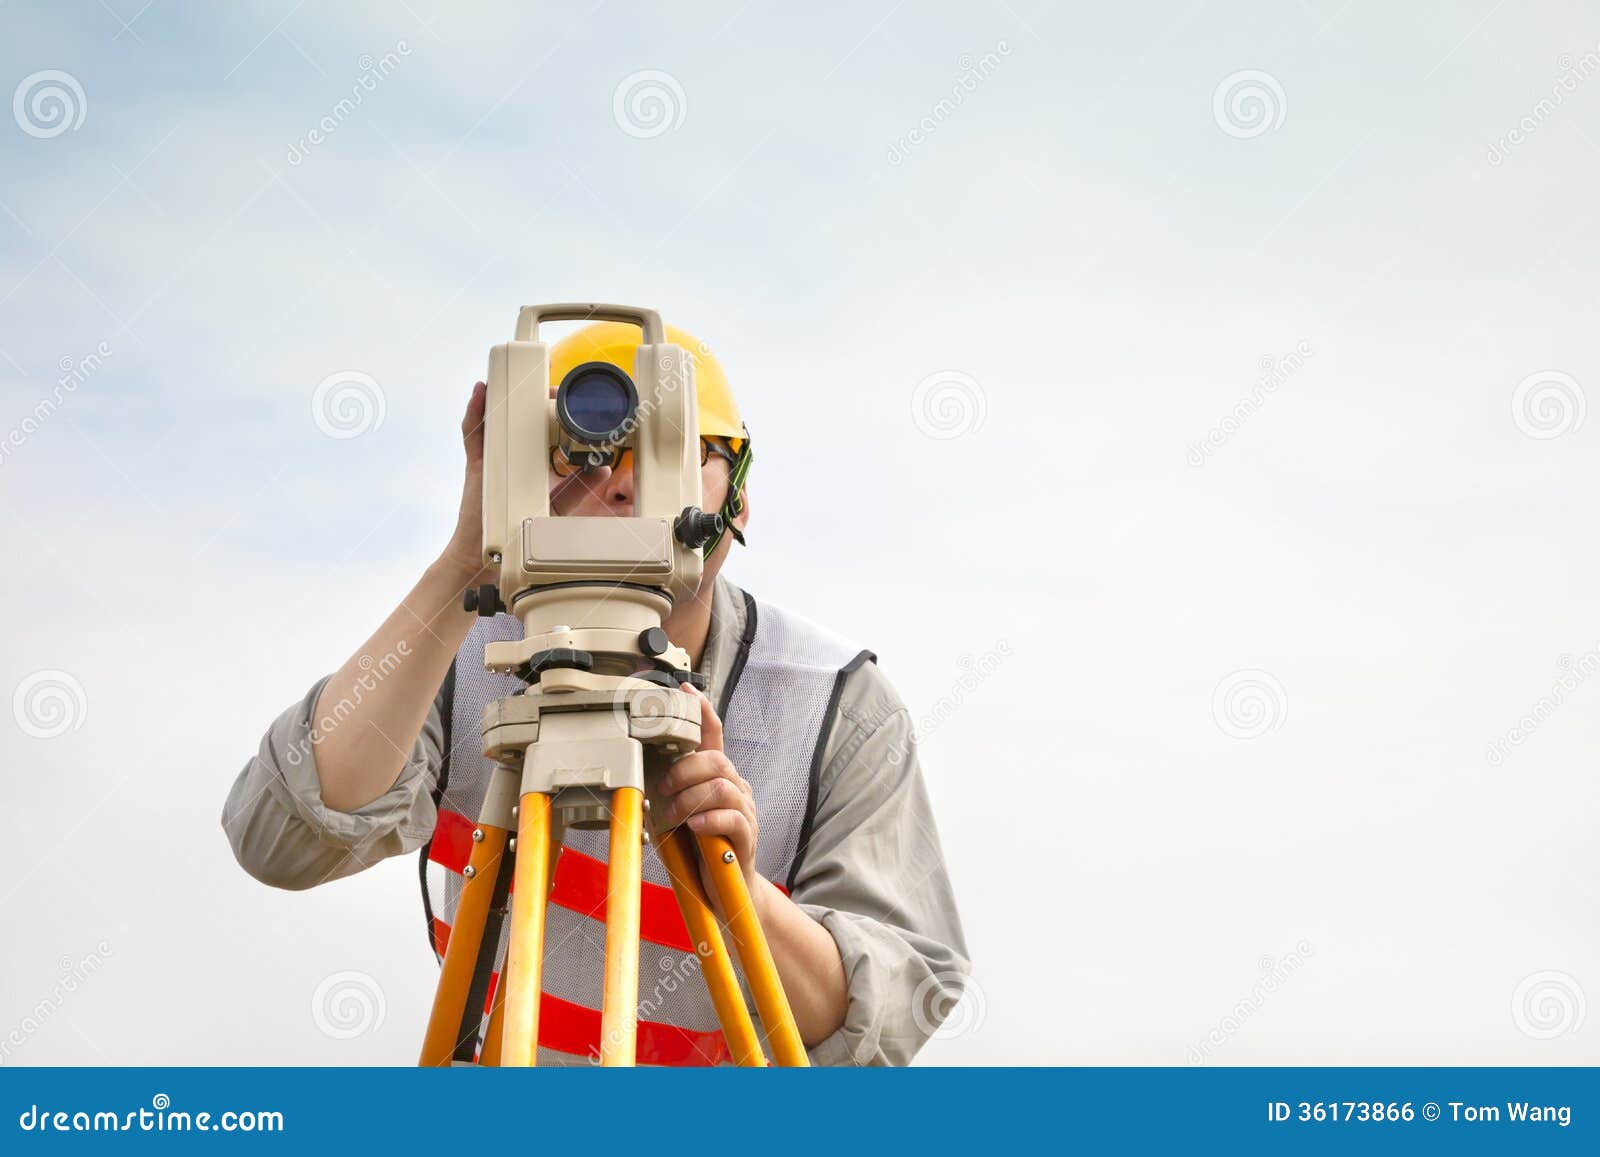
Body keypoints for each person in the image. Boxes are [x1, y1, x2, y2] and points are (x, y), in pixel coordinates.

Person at [222, 321, 969, 1065]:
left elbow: (894, 1019)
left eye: (674, 450)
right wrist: (465, 566)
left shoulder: (833, 703)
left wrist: (740, 892)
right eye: (580, 450)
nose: (622, 482)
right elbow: (281, 841)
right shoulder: (458, 655)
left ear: (738, 497)